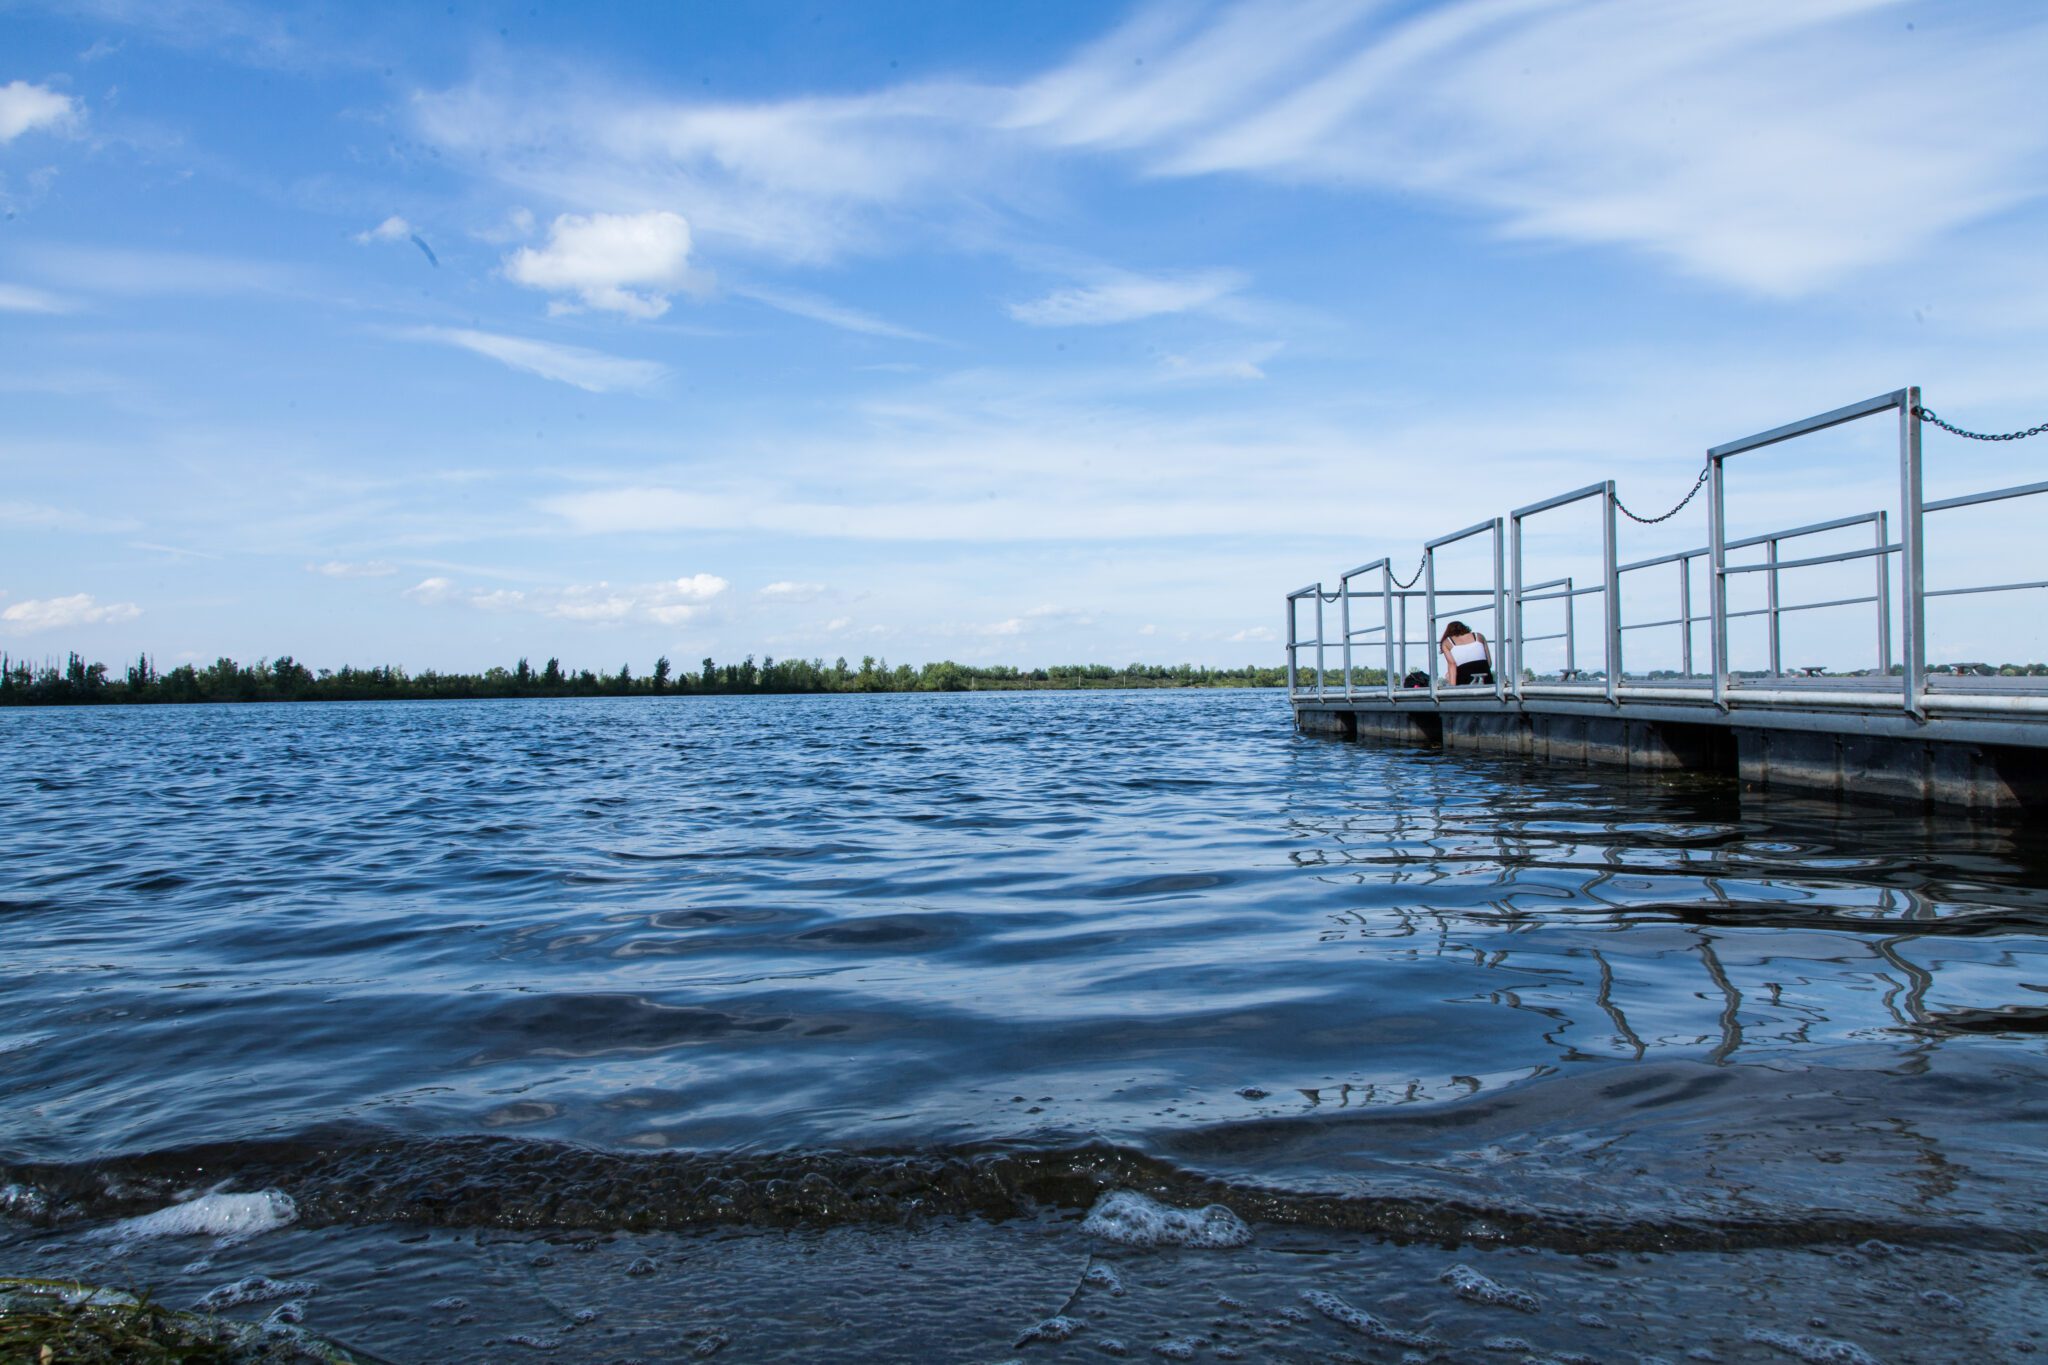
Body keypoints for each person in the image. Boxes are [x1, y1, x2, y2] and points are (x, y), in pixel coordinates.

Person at [1440, 620, 1492, 686]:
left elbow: (1452, 665)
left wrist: (1452, 688)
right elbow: (1489, 663)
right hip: (1485, 675)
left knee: (1448, 675)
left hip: (1464, 678)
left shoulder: (1447, 642)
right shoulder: (1479, 636)